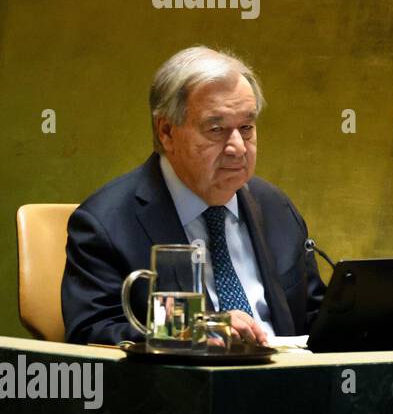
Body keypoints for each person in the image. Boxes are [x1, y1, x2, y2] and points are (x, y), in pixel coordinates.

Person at [62, 46, 326, 345]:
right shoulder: (106, 224)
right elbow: (92, 332)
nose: (238, 147)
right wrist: (192, 330)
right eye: (216, 129)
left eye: (247, 128)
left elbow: (317, 317)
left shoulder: (275, 206)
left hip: (288, 384)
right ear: (166, 131)